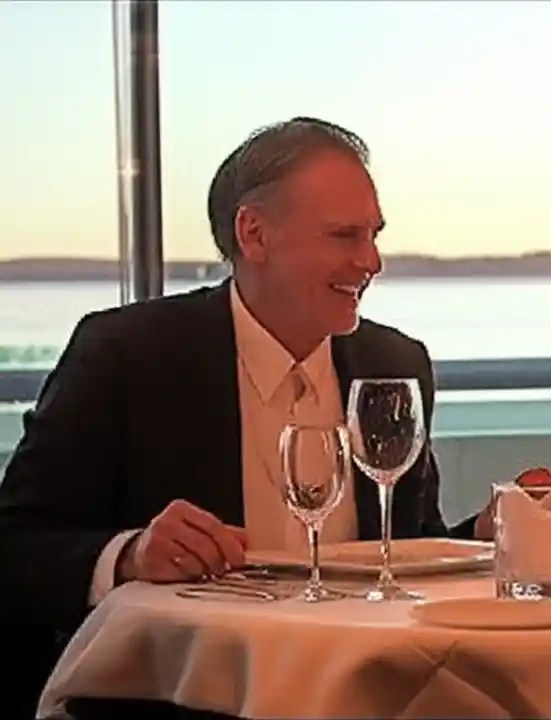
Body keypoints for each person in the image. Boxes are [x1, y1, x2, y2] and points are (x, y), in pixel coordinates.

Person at [0, 117, 477, 714]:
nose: (372, 261)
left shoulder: (394, 361)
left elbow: (407, 550)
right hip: (185, 703)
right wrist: (129, 555)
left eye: (373, 235)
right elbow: (16, 547)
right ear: (253, 234)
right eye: (344, 236)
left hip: (376, 698)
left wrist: (493, 536)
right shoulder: (127, 354)